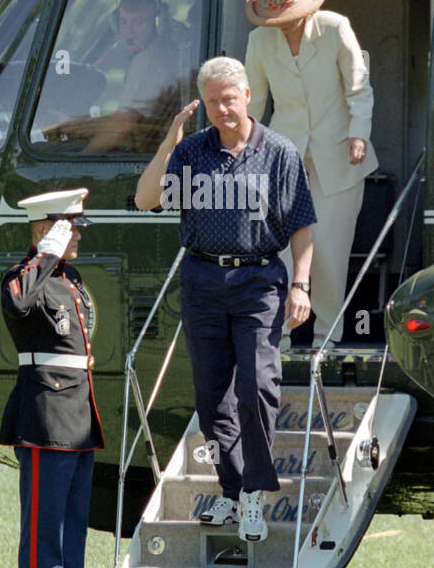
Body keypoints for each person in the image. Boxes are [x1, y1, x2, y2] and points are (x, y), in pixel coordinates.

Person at [135, 57, 315, 541]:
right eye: (212, 102)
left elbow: (301, 224)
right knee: (212, 399)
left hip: (259, 282)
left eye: (228, 99)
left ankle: (254, 495)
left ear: (248, 95)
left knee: (255, 387)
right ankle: (232, 491)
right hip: (201, 280)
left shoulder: (279, 151)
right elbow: (145, 199)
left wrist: (301, 285)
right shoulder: (192, 151)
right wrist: (169, 139)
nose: (221, 109)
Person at [244, 0, 377, 348]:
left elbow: (359, 87)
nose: (281, 22)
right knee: (280, 247)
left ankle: (328, 333)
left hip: (339, 154)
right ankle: (280, 332)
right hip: (283, 156)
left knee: (330, 250)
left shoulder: (335, 27)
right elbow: (254, 101)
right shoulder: (258, 41)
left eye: (287, 14)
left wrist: (359, 134)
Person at [0, 189, 104, 568]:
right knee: (45, 531)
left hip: (78, 414)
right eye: (69, 226)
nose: (77, 234)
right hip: (45, 416)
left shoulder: (71, 277)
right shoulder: (24, 276)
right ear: (44, 228)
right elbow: (19, 304)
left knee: (72, 529)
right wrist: (44, 254)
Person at [81, 0, 180, 152]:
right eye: (124, 22)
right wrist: (70, 126)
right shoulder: (161, 53)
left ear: (158, 25)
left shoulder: (150, 60)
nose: (129, 30)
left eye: (139, 22)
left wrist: (81, 161)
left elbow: (123, 123)